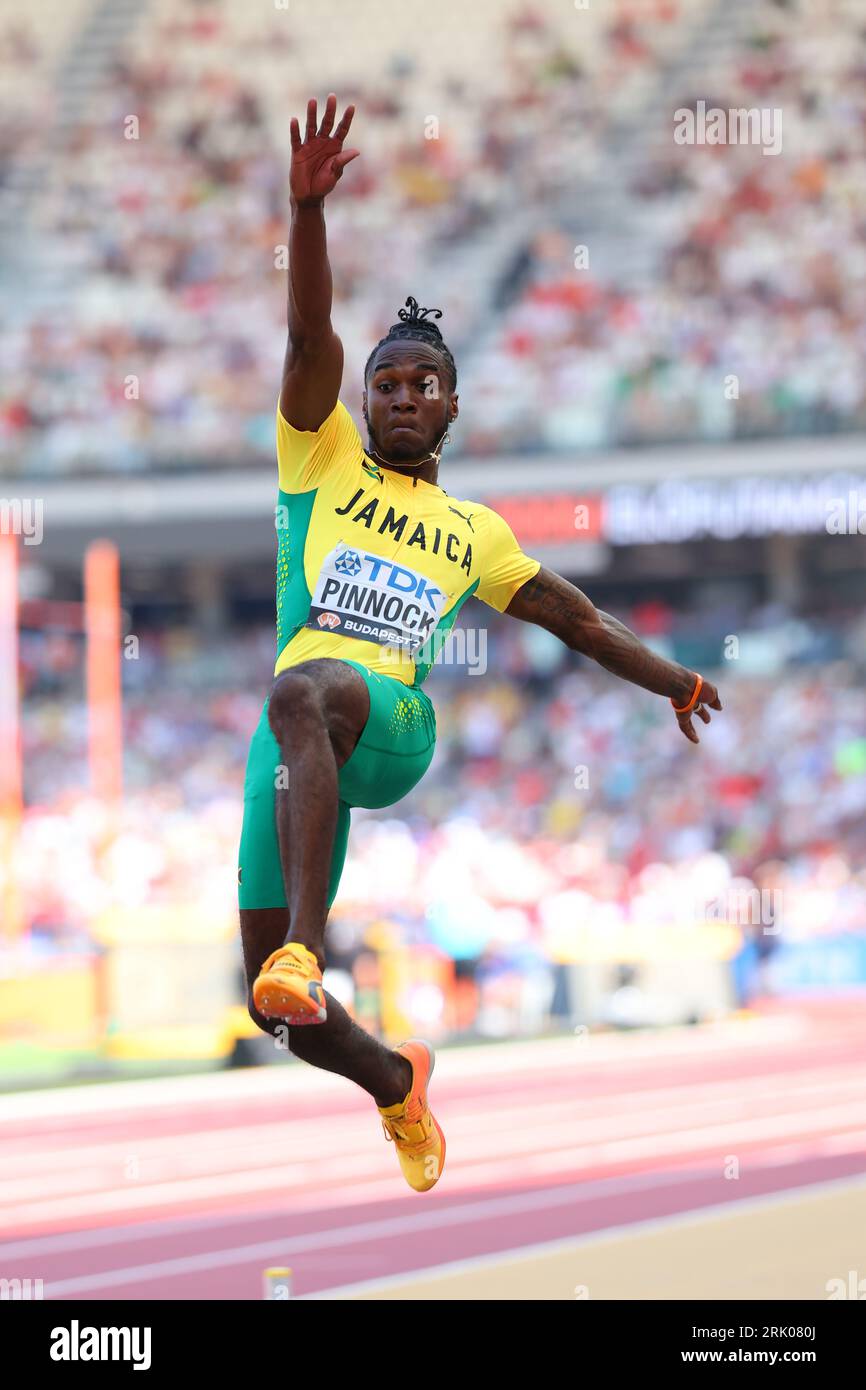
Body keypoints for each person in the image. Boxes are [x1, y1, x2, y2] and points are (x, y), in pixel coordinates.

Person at [238, 95, 722, 1193]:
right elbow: (307, 334)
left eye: (422, 386)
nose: (400, 397)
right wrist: (304, 214)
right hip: (300, 737)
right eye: (385, 385)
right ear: (360, 405)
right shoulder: (316, 461)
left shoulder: (476, 532)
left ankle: (309, 946)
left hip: (389, 723)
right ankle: (394, 1079)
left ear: (451, 407)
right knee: (265, 999)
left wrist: (675, 680)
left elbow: (579, 621)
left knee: (302, 688)